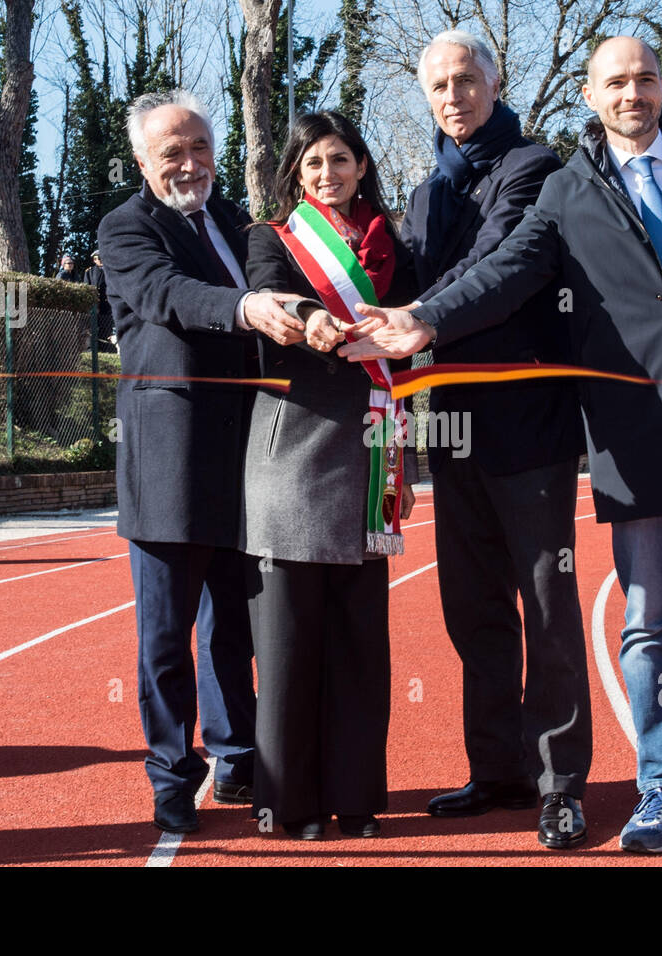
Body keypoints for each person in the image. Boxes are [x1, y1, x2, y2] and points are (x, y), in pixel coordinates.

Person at [342, 36, 662, 859]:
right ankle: (660, 791)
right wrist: (424, 322)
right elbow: (510, 269)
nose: (633, 92)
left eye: (645, 78)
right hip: (630, 437)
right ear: (589, 95)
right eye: (615, 82)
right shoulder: (566, 189)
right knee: (646, 627)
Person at [96, 88, 306, 834]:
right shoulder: (125, 229)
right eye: (172, 153)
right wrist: (246, 308)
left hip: (249, 452)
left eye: (200, 148)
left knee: (234, 625)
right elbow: (168, 294)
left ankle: (236, 753)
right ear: (143, 162)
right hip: (170, 462)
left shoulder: (236, 220)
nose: (191, 164)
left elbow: (279, 282)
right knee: (165, 634)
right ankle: (169, 772)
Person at [401, 30, 591, 850]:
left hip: (531, 430)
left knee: (546, 610)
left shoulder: (536, 169)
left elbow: (495, 265)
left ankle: (558, 785)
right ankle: (497, 770)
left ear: (495, 80)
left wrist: (405, 319)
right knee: (472, 609)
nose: (454, 96)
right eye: (439, 85)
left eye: (466, 79)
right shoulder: (422, 194)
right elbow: (396, 274)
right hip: (452, 428)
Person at [241, 110, 417, 840]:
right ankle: (289, 801)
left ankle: (356, 798)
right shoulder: (271, 239)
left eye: (339, 160)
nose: (327, 174)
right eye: (312, 164)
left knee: (359, 642)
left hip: (375, 451)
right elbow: (270, 301)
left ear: (361, 166)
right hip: (295, 460)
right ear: (295, 176)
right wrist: (310, 317)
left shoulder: (390, 245)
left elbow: (412, 333)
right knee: (288, 645)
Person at [83, 250, 114, 348]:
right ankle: (93, 348)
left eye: (100, 258)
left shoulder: (111, 270)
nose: (99, 260)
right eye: (96, 258)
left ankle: (105, 348)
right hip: (95, 304)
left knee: (107, 327)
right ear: (94, 260)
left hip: (107, 304)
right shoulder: (90, 272)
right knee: (93, 327)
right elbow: (87, 287)